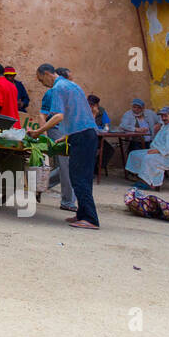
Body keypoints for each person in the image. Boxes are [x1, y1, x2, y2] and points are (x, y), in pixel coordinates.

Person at [29, 64, 100, 230]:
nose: (43, 84)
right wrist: (67, 136)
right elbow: (81, 115)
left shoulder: (58, 88)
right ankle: (82, 214)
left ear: (46, 74)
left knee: (78, 177)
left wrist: (39, 131)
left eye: (41, 80)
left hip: (82, 136)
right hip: (86, 133)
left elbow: (59, 116)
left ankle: (90, 218)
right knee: (82, 176)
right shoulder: (72, 85)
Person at [125, 106, 169, 191]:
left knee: (148, 158)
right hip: (159, 152)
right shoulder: (166, 125)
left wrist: (157, 150)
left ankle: (147, 182)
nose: (163, 118)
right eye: (162, 116)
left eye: (165, 116)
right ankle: (142, 179)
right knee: (134, 154)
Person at [38, 78, 74, 213]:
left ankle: (40, 184)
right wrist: (43, 133)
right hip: (57, 130)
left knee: (66, 166)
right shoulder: (52, 93)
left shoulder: (70, 92)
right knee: (66, 165)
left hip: (69, 131)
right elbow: (43, 114)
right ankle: (68, 201)